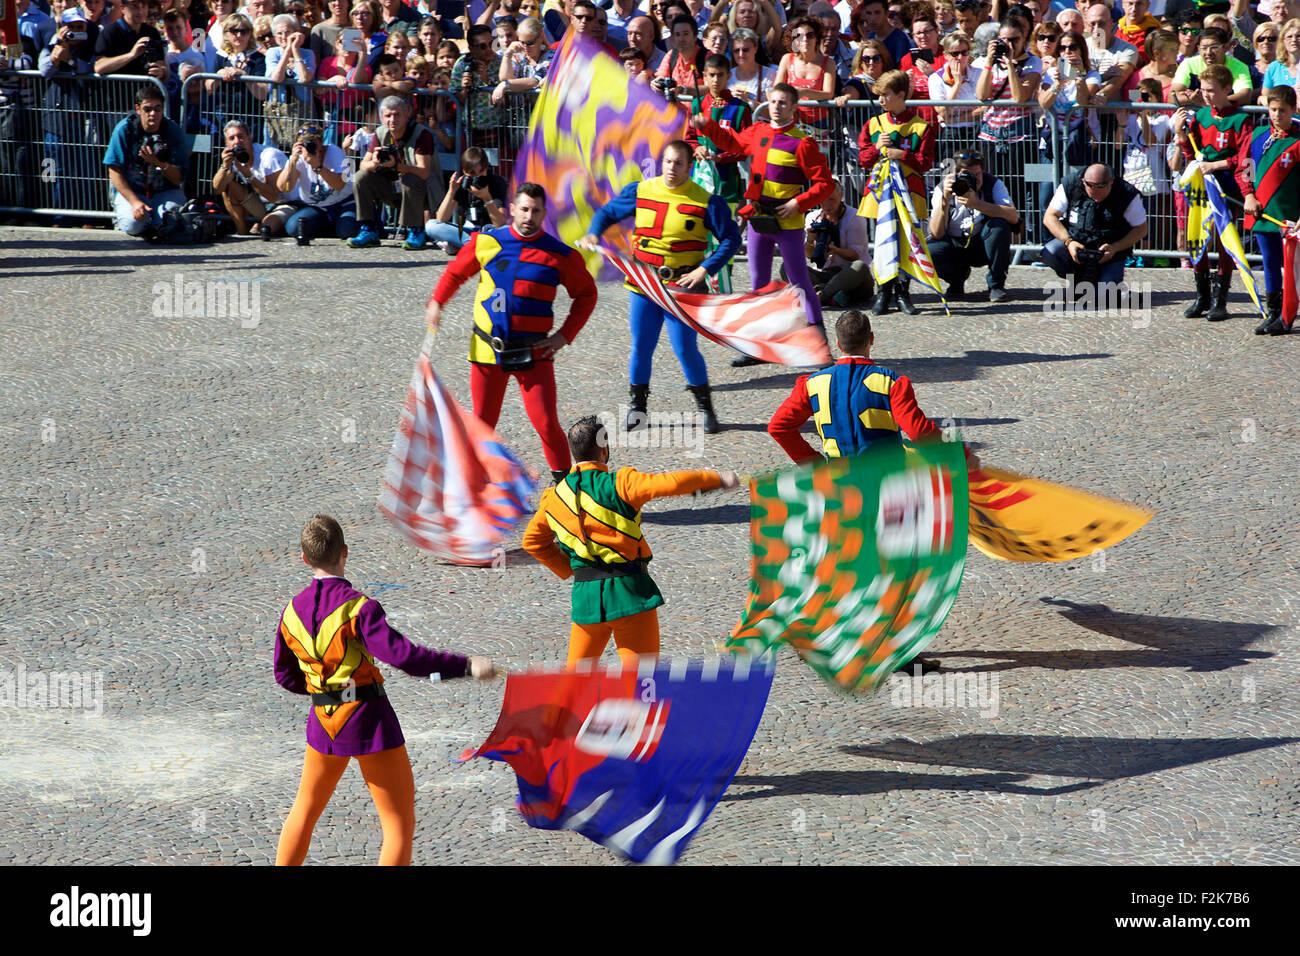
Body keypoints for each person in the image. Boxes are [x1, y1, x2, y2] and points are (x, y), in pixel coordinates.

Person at [274, 514, 495, 867]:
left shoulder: (289, 613)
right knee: (397, 825)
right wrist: (464, 666)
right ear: (345, 552)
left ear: (305, 559)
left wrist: (325, 692)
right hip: (368, 722)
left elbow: (284, 676)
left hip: (322, 724)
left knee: (303, 813)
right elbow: (405, 657)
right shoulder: (360, 608)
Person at [521, 416, 739, 667]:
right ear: (605, 449)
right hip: (631, 594)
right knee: (642, 680)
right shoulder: (621, 483)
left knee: (575, 680)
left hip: (586, 600)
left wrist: (571, 570)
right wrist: (716, 479)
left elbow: (533, 543)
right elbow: (669, 483)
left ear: (573, 453)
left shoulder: (553, 498)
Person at [425, 183, 598, 483]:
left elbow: (586, 295)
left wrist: (564, 336)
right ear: (513, 209)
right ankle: (474, 488)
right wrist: (437, 302)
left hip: (536, 353)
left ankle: (567, 492)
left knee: (546, 424)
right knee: (482, 424)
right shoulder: (485, 243)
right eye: (525, 209)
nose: (529, 216)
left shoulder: (560, 255)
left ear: (544, 214)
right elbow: (455, 273)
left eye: (536, 210)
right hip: (486, 350)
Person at [579, 141, 741, 432]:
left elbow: (731, 239)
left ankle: (706, 408)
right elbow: (606, 213)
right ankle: (637, 409)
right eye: (667, 162)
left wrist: (705, 269)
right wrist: (594, 233)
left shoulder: (705, 200)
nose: (671, 168)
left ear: (689, 166)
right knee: (641, 346)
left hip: (681, 288)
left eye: (678, 163)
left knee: (685, 349)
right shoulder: (641, 191)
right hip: (644, 284)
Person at [691, 83, 836, 339]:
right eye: (773, 102)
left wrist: (797, 204)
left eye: (783, 103)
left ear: (793, 107)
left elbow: (825, 184)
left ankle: (818, 337)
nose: (777, 107)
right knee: (758, 283)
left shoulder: (803, 142)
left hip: (787, 221)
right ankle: (760, 342)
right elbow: (732, 143)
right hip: (758, 219)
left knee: (799, 281)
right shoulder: (758, 131)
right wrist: (707, 126)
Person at [768, 309, 972, 466]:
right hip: (888, 482)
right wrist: (958, 452)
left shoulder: (811, 385)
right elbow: (919, 433)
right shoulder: (892, 384)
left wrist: (816, 465)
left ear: (838, 344)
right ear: (871, 339)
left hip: (839, 486)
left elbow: (778, 427)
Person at [1174, 63, 1254, 320]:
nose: (1206, 95)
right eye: (1203, 89)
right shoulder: (1201, 117)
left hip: (1226, 185)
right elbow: (1190, 153)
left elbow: (1244, 158)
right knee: (1196, 236)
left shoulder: (1240, 120)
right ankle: (1202, 297)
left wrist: (1217, 164)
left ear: (1226, 89)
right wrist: (1180, 134)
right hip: (1202, 185)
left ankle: (1220, 301)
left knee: (1224, 239)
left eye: (1211, 90)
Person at [857, 68, 936, 315]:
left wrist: (902, 154)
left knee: (906, 243)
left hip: (909, 193)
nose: (881, 100)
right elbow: (863, 158)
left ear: (901, 95)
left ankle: (903, 293)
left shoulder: (921, 127)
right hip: (882, 193)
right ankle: (883, 293)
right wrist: (876, 147)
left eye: (886, 94)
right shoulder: (874, 124)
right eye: (878, 95)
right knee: (882, 242)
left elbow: (925, 162)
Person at [1242, 84, 1299, 335]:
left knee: (1293, 267)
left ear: (1293, 110)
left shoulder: (1298, 141)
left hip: (1289, 216)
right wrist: (1249, 195)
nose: (1277, 115)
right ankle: (1274, 313)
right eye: (1274, 110)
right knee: (1270, 262)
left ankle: (1288, 315)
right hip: (1261, 212)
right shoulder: (1257, 136)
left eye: (1283, 111)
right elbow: (1245, 169)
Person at [928, 149, 1019, 300]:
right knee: (931, 251)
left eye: (977, 174)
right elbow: (937, 233)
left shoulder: (993, 183)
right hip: (954, 246)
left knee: (999, 227)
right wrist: (944, 200)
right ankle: (956, 280)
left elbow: (1013, 216)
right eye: (967, 175)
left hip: (981, 245)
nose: (973, 179)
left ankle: (996, 285)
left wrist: (977, 204)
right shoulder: (943, 188)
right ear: (956, 174)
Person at [348, 95, 436, 249]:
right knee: (359, 177)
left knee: (410, 178)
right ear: (382, 117)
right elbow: (363, 165)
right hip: (393, 188)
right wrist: (375, 163)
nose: (392, 120)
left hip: (423, 192)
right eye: (388, 116)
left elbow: (424, 172)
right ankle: (368, 229)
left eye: (397, 115)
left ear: (406, 114)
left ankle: (416, 230)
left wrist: (396, 166)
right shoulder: (380, 133)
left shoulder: (421, 134)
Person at [1041, 163, 1148, 288]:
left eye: (1101, 194)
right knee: (1051, 252)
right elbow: (1050, 217)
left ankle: (1104, 283)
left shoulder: (1127, 193)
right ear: (1083, 182)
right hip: (1077, 244)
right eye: (1093, 194)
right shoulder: (1070, 185)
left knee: (1104, 295)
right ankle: (1078, 278)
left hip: (1110, 251)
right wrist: (1069, 242)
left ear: (1111, 182)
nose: (1096, 199)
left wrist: (1115, 247)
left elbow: (1141, 228)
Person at [103, 84, 189, 239]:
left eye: (158, 109)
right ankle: (127, 217)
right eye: (147, 109)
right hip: (133, 190)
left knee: (169, 223)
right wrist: (135, 202)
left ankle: (155, 222)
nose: (153, 114)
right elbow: (114, 171)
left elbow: (179, 178)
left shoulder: (172, 130)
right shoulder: (125, 129)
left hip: (165, 191)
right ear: (138, 109)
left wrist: (160, 164)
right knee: (134, 224)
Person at [275, 121, 359, 243]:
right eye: (305, 143)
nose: (310, 147)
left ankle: (342, 225)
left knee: (347, 231)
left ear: (321, 142)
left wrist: (318, 167)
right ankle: (331, 227)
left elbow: (339, 185)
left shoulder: (334, 151)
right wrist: (292, 162)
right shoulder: (299, 157)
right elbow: (284, 187)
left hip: (344, 202)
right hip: (319, 207)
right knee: (294, 228)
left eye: (313, 143)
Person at [212, 118, 291, 235]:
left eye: (241, 136)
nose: (237, 141)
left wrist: (248, 175)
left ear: (250, 137)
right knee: (229, 187)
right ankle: (242, 234)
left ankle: (265, 226)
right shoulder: (234, 158)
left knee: (267, 227)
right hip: (264, 204)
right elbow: (217, 190)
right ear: (227, 144)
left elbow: (274, 197)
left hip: (286, 203)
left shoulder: (269, 156)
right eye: (231, 138)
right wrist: (225, 166)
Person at [801, 180, 873, 306]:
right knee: (787, 267)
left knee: (859, 266)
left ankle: (820, 296)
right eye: (823, 199)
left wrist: (835, 250)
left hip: (850, 276)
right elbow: (809, 255)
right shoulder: (812, 217)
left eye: (832, 199)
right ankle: (830, 295)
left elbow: (855, 255)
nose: (827, 204)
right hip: (824, 273)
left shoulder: (855, 217)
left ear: (841, 196)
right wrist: (810, 240)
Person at [425, 145, 508, 250]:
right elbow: (441, 218)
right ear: (465, 171)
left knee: (506, 230)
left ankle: (466, 246)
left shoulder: (495, 182)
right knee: (431, 225)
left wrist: (487, 198)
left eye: (481, 171)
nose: (477, 177)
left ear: (486, 168)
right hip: (469, 230)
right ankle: (475, 247)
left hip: (490, 230)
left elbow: (500, 223)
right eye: (473, 173)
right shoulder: (464, 183)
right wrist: (452, 191)